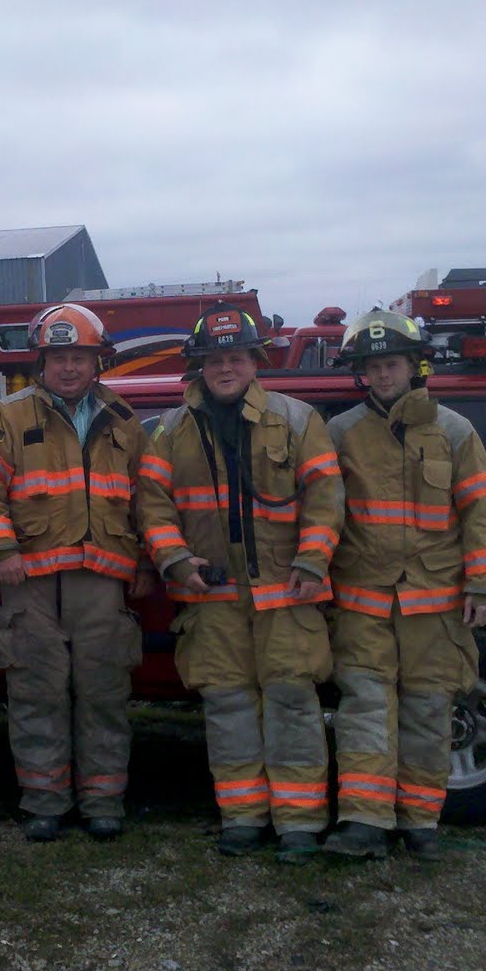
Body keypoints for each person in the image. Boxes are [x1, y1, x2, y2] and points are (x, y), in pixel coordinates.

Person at [138, 302, 344, 861]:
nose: (225, 368)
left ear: (255, 362)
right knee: (227, 707)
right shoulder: (171, 431)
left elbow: (326, 497)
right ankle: (243, 816)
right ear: (199, 367)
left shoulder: (297, 419)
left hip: (287, 595)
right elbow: (152, 506)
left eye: (235, 358)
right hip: (211, 599)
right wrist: (174, 559)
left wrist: (312, 561)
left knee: (293, 702)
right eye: (213, 360)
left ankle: (299, 822)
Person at [0, 303, 153, 842]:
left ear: (97, 362)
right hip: (30, 580)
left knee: (103, 692)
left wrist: (144, 560)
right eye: (58, 357)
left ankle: (103, 801)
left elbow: (148, 498)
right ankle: (44, 801)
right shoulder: (7, 417)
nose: (69, 367)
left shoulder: (123, 419)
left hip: (103, 579)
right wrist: (2, 550)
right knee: (37, 691)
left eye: (80, 357)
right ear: (41, 362)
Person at [322, 309, 486, 860]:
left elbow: (482, 510)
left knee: (429, 708)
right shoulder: (341, 433)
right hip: (362, 601)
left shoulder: (454, 431)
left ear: (414, 366)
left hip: (437, 604)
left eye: (393, 364)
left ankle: (421, 822)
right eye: (373, 366)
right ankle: (364, 821)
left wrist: (482, 583)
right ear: (362, 372)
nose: (383, 374)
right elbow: (322, 513)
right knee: (364, 708)